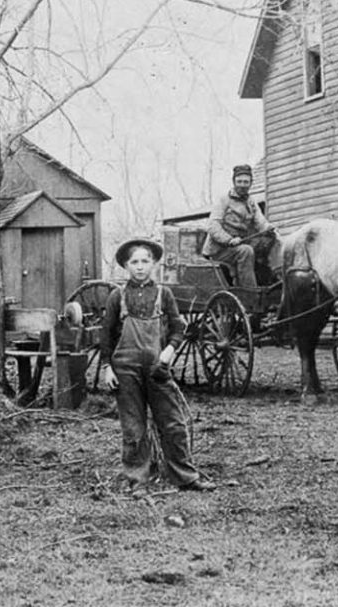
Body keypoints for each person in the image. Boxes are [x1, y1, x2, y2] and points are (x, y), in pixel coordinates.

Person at [100, 237, 215, 492]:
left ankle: (184, 476)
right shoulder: (116, 297)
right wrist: (107, 367)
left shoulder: (164, 295)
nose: (140, 267)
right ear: (126, 266)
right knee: (134, 428)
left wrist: (169, 352)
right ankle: (137, 480)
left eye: (145, 261)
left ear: (153, 264)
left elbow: (178, 328)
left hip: (157, 368)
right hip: (125, 370)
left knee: (173, 422)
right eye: (134, 262)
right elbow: (106, 335)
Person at [203, 164, 270, 290]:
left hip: (238, 246)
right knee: (246, 251)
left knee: (267, 244)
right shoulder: (224, 200)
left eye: (246, 182)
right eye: (239, 181)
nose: (242, 185)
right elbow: (213, 226)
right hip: (219, 251)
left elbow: (260, 221)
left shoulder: (251, 201)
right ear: (234, 182)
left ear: (251, 183)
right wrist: (229, 240)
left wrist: (268, 228)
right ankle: (250, 294)